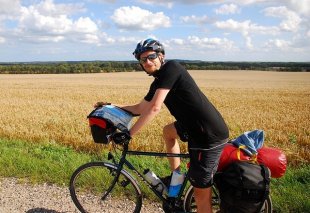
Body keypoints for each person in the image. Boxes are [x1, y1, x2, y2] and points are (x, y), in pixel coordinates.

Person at [95, 38, 229, 213]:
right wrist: (110, 106)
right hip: (193, 127)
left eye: (151, 57)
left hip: (207, 136)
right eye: (143, 60)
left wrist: (129, 133)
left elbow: (154, 107)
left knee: (201, 197)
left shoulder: (171, 68)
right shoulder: (158, 81)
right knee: (168, 132)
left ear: (161, 56)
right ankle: (176, 179)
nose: (147, 62)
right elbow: (140, 108)